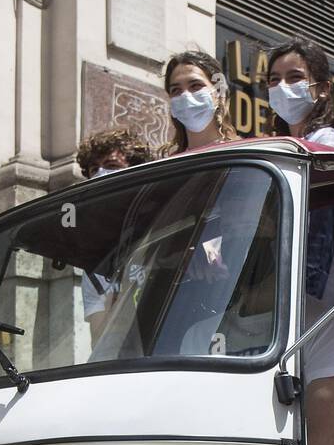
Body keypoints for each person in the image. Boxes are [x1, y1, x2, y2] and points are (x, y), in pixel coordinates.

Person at [266, 37, 334, 445]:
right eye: (274, 80)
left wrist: (286, 296)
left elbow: (316, 240)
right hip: (271, 318)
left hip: (312, 318)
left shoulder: (327, 144)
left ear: (322, 90)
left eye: (294, 78)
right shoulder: (271, 146)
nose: (282, 88)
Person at [75, 127, 153, 342]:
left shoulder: (163, 230)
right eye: (94, 169)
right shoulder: (94, 264)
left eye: (111, 166)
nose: (100, 175)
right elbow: (99, 341)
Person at [158, 49, 240, 155]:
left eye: (195, 86)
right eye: (176, 90)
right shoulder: (170, 166)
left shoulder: (241, 153)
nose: (185, 96)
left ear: (219, 92)